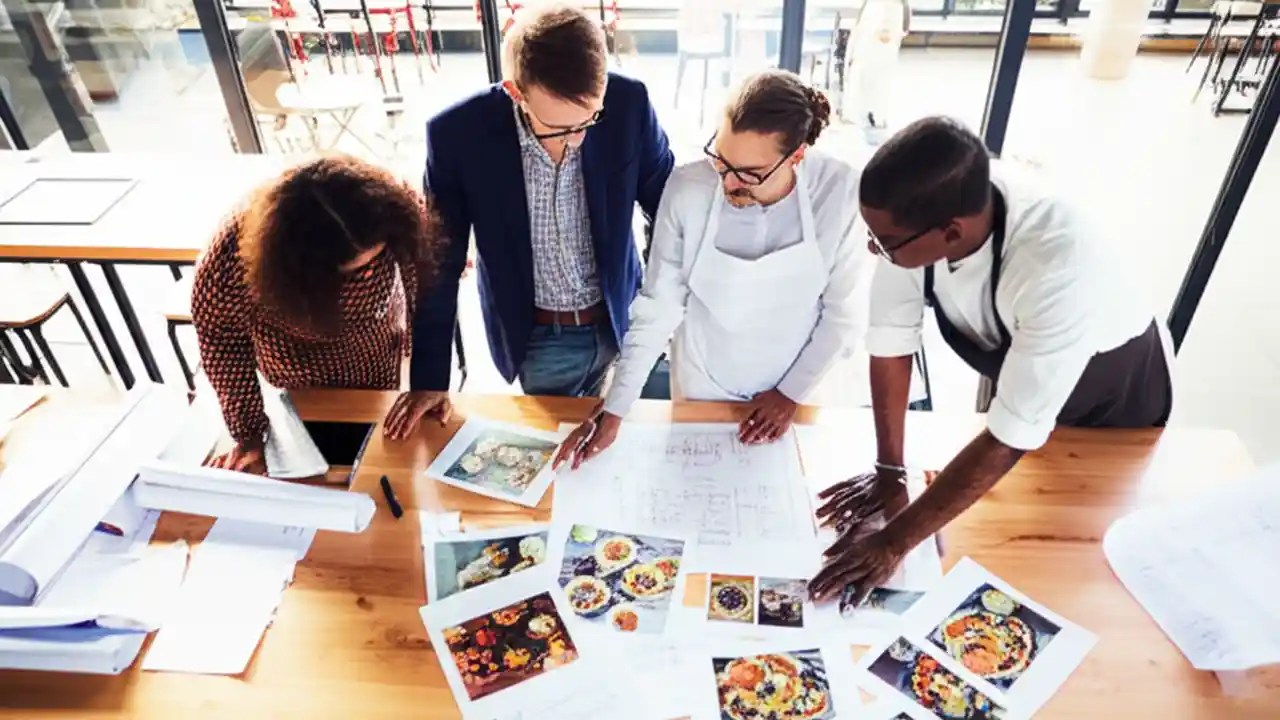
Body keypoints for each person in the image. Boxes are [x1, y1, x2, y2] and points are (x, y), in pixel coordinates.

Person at [810, 117, 1173, 603]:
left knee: (1074, 560)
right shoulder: (918, 218)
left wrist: (894, 541)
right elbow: (891, 344)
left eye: (884, 244)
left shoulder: (1058, 265)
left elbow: (1009, 437)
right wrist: (889, 470)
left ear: (951, 233)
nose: (875, 251)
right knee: (999, 528)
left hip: (1111, 399)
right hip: (1022, 377)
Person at [383, 3, 675, 440]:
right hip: (543, 339)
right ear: (515, 92)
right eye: (559, 128)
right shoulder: (457, 135)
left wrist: (661, 301)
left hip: (627, 319)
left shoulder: (629, 104)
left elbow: (670, 209)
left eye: (589, 121)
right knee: (560, 466)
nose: (576, 140)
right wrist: (429, 377)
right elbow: (440, 262)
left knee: (645, 448)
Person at [556, 70, 869, 469]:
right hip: (702, 380)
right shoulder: (688, 188)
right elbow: (658, 309)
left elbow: (842, 316)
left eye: (750, 174)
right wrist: (615, 409)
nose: (728, 182)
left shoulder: (839, 191)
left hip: (798, 385)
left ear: (796, 156)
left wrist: (790, 394)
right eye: (721, 161)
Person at [193, 155, 449, 474]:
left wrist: (431, 380)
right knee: (314, 471)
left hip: (378, 356)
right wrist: (248, 435)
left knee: (381, 465)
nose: (368, 276)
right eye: (354, 272)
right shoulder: (232, 259)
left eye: (375, 263)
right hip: (297, 373)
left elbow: (430, 289)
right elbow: (222, 344)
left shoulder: (389, 208)